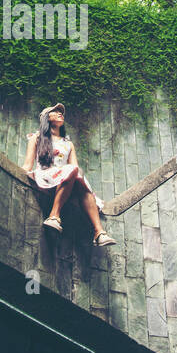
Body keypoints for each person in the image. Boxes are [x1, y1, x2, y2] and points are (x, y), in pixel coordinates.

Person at [22, 102, 115, 246]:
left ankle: (99, 233)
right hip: (45, 177)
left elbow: (75, 168)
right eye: (55, 111)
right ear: (46, 118)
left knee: (78, 176)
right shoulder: (37, 137)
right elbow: (28, 164)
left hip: (66, 180)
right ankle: (54, 216)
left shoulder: (68, 144)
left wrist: (84, 185)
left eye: (61, 112)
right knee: (72, 170)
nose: (60, 113)